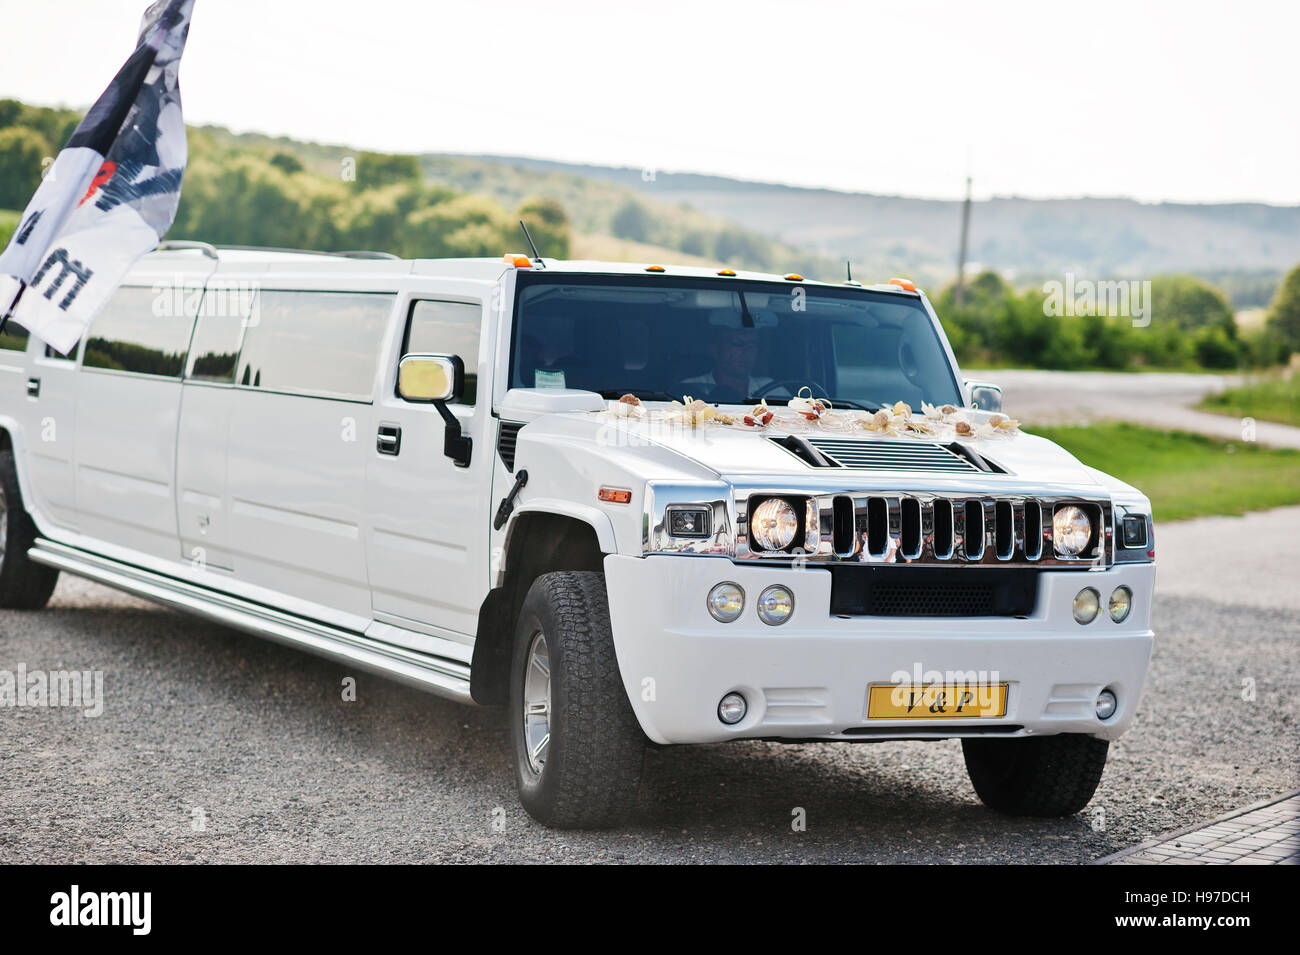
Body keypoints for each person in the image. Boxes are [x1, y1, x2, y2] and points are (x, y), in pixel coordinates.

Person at [681, 325, 782, 404]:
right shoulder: (690, 389)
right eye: (737, 343)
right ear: (715, 349)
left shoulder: (772, 390)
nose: (747, 352)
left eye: (752, 345)